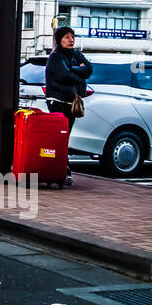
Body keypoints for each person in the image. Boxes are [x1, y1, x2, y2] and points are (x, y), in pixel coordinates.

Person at [44, 25, 92, 186]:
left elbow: (89, 69)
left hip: (71, 104)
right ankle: (62, 171)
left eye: (72, 37)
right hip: (57, 103)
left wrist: (73, 70)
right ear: (59, 40)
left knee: (65, 137)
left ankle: (62, 170)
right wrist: (79, 75)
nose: (71, 40)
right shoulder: (56, 57)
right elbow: (63, 76)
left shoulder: (76, 54)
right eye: (66, 37)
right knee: (60, 138)